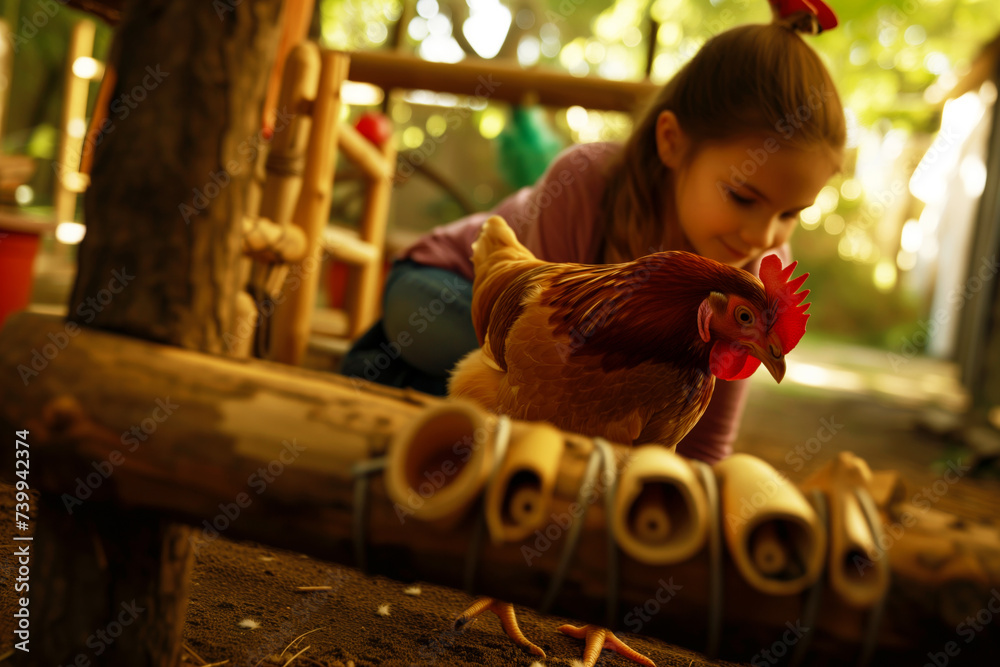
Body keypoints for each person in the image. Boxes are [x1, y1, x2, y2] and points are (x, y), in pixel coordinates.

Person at [340, 7, 846, 465]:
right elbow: (539, 354)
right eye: (742, 196)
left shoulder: (751, 276)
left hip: (538, 362)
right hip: (447, 283)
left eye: (790, 214)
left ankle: (416, 390)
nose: (762, 234)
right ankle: (386, 375)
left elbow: (702, 445)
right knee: (526, 396)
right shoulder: (587, 179)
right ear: (672, 142)